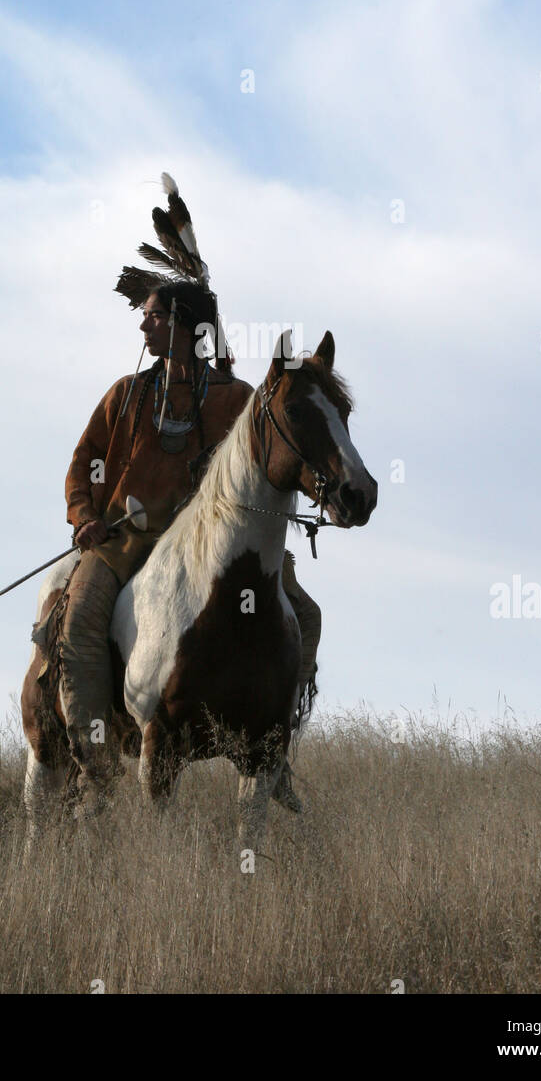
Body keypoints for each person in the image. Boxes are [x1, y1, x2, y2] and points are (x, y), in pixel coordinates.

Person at [59, 279, 321, 816]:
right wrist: (85, 517)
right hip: (125, 538)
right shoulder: (126, 394)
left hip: (214, 545)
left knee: (306, 615)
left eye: (154, 316)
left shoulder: (236, 398)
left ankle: (275, 755)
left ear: (183, 325)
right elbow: (84, 463)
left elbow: (269, 461)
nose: (143, 325)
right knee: (79, 618)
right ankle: (94, 768)